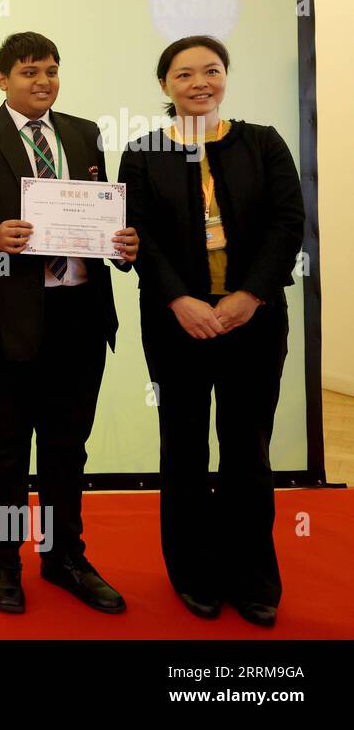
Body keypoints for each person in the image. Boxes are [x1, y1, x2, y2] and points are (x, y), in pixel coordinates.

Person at [0, 31, 138, 615]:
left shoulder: (82, 133)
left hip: (79, 312)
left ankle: (63, 555)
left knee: (66, 446)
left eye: (51, 69)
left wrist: (123, 242)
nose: (42, 80)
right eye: (29, 71)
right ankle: (1, 559)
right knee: (5, 448)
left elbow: (103, 208)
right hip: (8, 319)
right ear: (2, 79)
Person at [118, 35, 304, 628]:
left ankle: (253, 580)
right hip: (178, 325)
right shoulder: (143, 152)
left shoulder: (261, 141)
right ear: (165, 84)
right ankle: (193, 573)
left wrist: (251, 294)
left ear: (226, 77)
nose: (200, 82)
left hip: (254, 319)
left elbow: (288, 221)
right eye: (185, 73)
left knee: (249, 450)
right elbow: (137, 232)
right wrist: (180, 299)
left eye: (212, 71)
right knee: (186, 451)